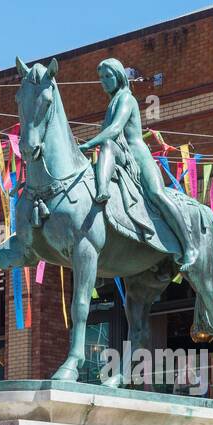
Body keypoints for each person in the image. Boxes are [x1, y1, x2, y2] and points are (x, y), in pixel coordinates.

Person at [79, 57, 197, 272]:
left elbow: (115, 129)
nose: (104, 81)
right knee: (105, 147)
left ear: (119, 76)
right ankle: (102, 191)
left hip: (137, 155)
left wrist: (87, 144)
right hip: (118, 154)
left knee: (157, 194)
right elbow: (109, 140)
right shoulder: (112, 102)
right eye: (101, 78)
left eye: (108, 76)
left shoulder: (126, 99)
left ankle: (189, 246)